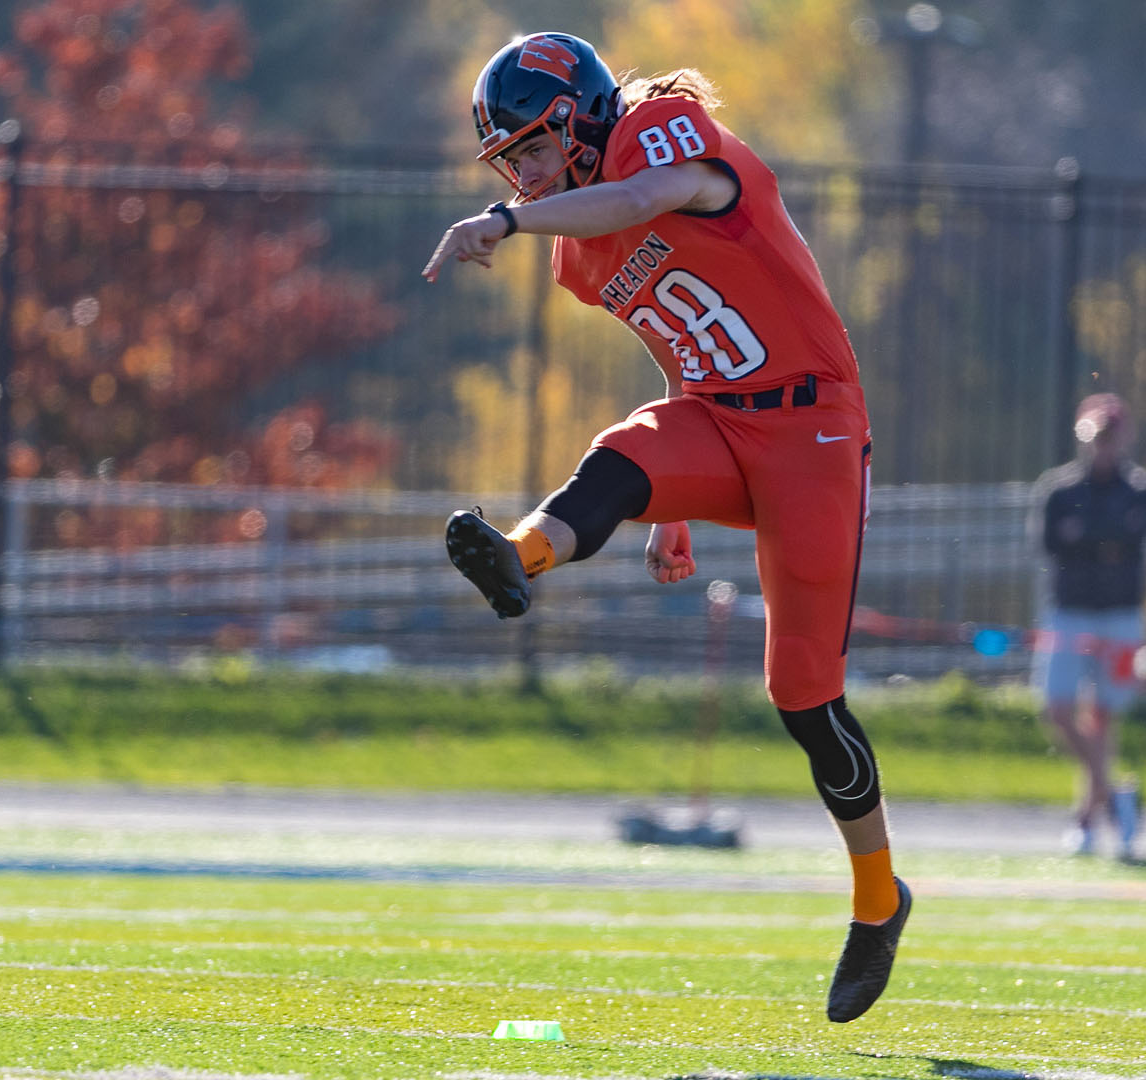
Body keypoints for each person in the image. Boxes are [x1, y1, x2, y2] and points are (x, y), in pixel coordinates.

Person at [423, 33, 902, 1023]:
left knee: (804, 699)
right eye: (512, 161)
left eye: (534, 147)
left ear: (581, 119)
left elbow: (641, 199)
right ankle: (518, 558)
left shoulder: (659, 131)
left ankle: (877, 900)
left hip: (812, 425)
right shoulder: (577, 254)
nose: (525, 173)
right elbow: (678, 337)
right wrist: (671, 504)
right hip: (719, 417)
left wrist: (508, 220)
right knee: (620, 455)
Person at [1028, 393, 1146, 860]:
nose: (1103, 447)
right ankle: (1115, 794)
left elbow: (1129, 540)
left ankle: (1086, 819)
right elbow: (1051, 544)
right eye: (1096, 437)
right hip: (1069, 612)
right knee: (1058, 708)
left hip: (1119, 614)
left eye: (1110, 437)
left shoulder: (1139, 490)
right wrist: (1102, 543)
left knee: (1103, 716)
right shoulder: (1059, 490)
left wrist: (1088, 539)